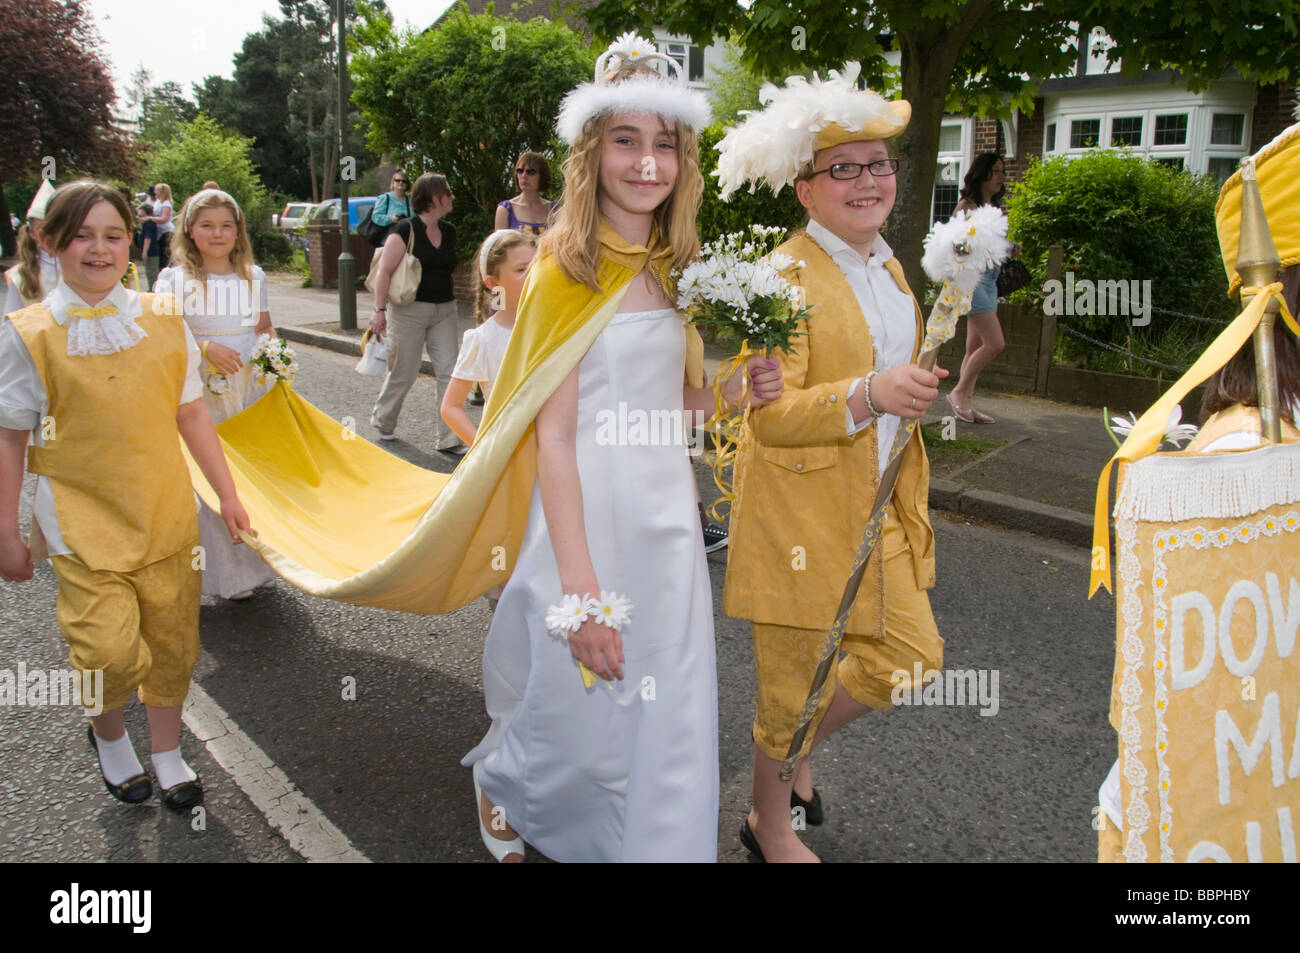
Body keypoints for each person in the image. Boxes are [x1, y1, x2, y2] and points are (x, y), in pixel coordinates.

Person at [461, 35, 781, 863]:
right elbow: (555, 433)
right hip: (585, 515)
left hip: (665, 517)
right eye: (626, 140)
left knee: (667, 700)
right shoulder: (564, 270)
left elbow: (665, 406)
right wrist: (580, 597)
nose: (647, 162)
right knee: (584, 710)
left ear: (684, 157)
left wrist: (727, 397)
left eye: (663, 143)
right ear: (592, 150)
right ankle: (509, 779)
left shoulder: (678, 266)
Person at [715, 62, 947, 862]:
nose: (866, 180)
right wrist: (873, 392)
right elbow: (771, 415)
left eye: (878, 163)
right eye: (841, 168)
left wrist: (904, 387)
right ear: (805, 191)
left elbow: (891, 379)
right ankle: (768, 824)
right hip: (800, 519)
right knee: (790, 687)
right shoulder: (781, 274)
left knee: (912, 658)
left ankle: (796, 751)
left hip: (880, 506)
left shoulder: (889, 266)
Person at [0, 181, 252, 809]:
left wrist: (228, 496)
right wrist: (5, 530)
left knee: (173, 645)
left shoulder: (164, 319)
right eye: (81, 235)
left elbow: (191, 414)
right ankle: (109, 736)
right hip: (81, 523)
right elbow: (9, 438)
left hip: (166, 514)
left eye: (113, 234)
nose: (99, 248)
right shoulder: (27, 333)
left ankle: (167, 752)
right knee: (106, 652)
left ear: (130, 244)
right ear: (48, 242)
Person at [154, 188, 278, 601]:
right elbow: (165, 334)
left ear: (238, 231)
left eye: (226, 226)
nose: (218, 233)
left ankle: (250, 565)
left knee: (246, 474)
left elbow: (263, 326)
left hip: (246, 387)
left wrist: (274, 358)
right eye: (207, 225)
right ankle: (212, 574)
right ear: (189, 230)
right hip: (199, 390)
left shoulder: (252, 276)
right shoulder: (175, 279)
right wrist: (206, 349)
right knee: (208, 476)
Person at [366, 172, 464, 453]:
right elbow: (384, 272)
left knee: (449, 372)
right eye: (448, 192)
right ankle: (384, 422)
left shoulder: (449, 231)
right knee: (404, 372)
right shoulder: (404, 231)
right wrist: (379, 311)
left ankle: (448, 438)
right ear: (434, 197)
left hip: (445, 310)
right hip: (408, 311)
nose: (452, 197)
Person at [439, 229, 535, 446]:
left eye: (537, 266)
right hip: (508, 453)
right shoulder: (483, 339)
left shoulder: (554, 327)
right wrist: (484, 450)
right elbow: (450, 407)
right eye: (522, 269)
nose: (533, 274)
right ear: (493, 283)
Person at [947, 153, 1009, 424]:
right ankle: (958, 393)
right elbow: (955, 247)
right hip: (974, 281)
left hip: (991, 279)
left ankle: (967, 404)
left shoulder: (994, 208)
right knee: (995, 344)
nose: (1000, 177)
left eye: (1002, 171)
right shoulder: (965, 207)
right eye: (995, 171)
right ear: (981, 173)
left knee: (974, 347)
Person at [3, 181, 59, 316]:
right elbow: (12, 324)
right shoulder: (20, 276)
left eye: (56, 228)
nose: (49, 235)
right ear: (33, 233)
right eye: (42, 229)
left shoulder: (77, 267)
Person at [494, 151, 556, 236]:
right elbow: (500, 247)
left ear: (542, 176)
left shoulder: (555, 210)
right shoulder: (505, 210)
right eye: (520, 171)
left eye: (530, 172)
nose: (524, 176)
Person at [369, 170, 412, 241]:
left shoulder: (411, 201)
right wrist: (390, 219)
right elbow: (375, 217)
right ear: (393, 183)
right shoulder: (385, 198)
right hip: (387, 240)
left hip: (407, 239)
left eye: (404, 181)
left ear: (407, 184)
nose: (401, 182)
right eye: (398, 180)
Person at [147, 183, 176, 270]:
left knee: (165, 257)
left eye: (157, 190)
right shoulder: (158, 202)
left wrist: (149, 218)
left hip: (166, 232)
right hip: (159, 233)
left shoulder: (166, 204)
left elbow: (164, 219)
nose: (155, 192)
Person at [136, 204, 161, 288]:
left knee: (152, 273)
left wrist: (144, 252)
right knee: (149, 272)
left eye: (141, 210)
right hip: (150, 251)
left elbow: (147, 238)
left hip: (152, 252)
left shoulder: (149, 223)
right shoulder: (145, 223)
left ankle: (153, 290)